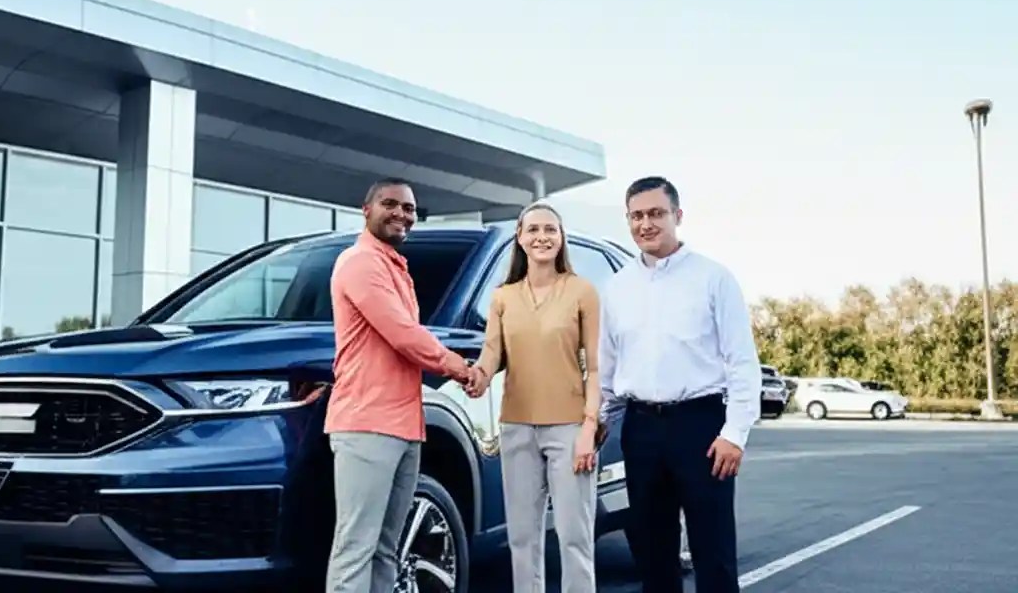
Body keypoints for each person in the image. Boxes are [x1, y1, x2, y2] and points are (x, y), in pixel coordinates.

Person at [598, 176, 761, 593]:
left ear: (678, 216)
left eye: (656, 213)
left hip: (702, 429)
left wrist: (735, 435)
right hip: (641, 431)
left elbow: (742, 362)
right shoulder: (617, 288)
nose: (646, 224)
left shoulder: (713, 278)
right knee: (653, 554)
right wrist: (596, 423)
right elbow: (609, 368)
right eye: (637, 215)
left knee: (714, 551)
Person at [323, 177, 473, 593]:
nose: (402, 214)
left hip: (404, 425)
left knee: (387, 549)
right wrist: (458, 367)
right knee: (356, 547)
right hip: (367, 425)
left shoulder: (394, 267)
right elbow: (402, 332)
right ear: (365, 209)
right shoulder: (359, 263)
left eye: (409, 208)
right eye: (391, 204)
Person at [464, 201, 605, 593]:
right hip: (517, 428)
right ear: (520, 238)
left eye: (551, 230)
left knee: (574, 536)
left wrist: (588, 429)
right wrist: (478, 375)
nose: (542, 237)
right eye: (534, 230)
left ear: (561, 239)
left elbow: (596, 368)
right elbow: (492, 352)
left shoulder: (582, 292)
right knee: (523, 539)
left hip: (570, 429)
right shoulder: (503, 297)